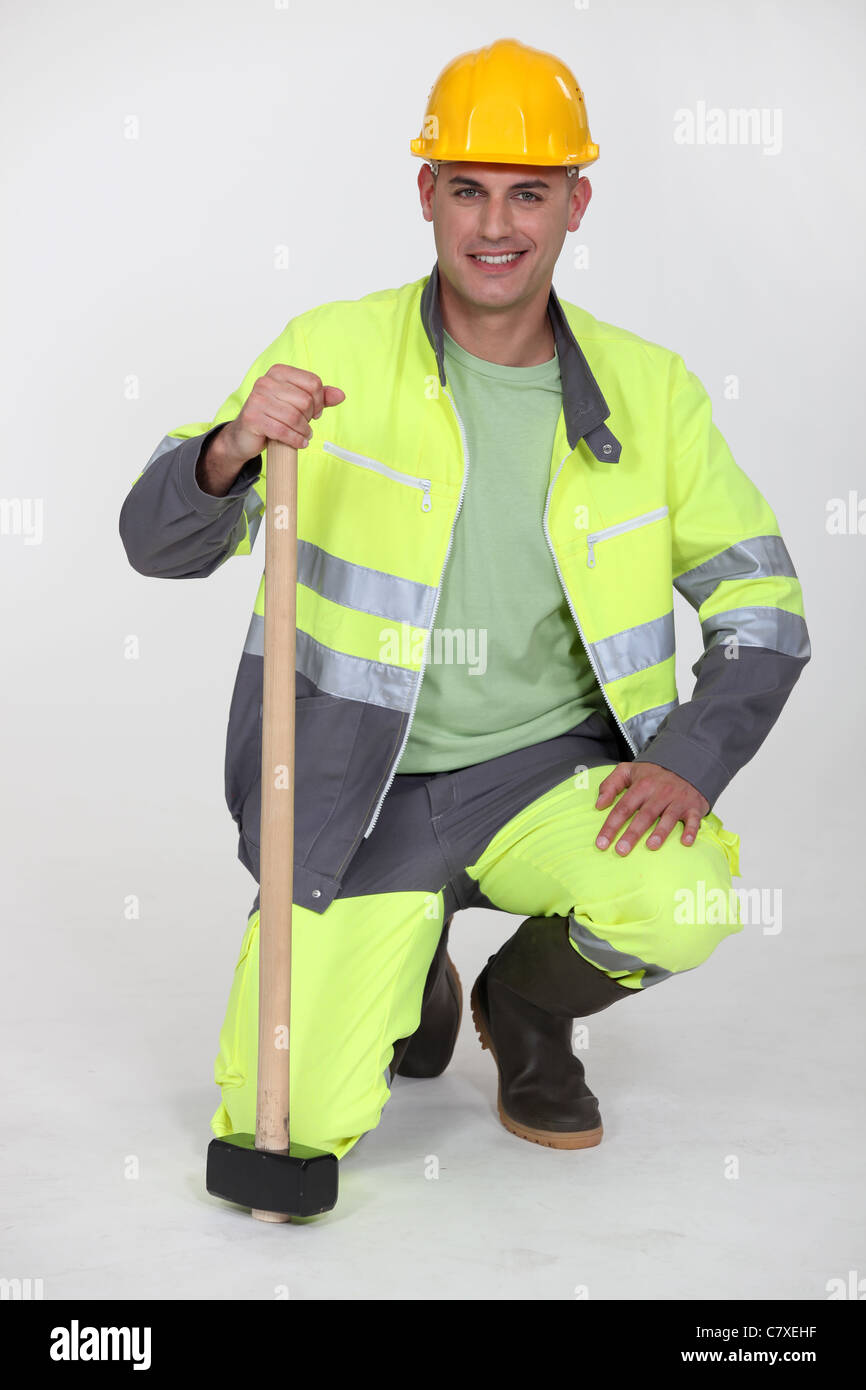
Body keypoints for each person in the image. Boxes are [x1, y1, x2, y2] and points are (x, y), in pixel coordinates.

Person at [118, 38, 810, 1160]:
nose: (495, 227)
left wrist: (689, 753)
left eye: (527, 193)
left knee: (686, 899)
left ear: (575, 203)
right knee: (278, 1130)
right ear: (426, 195)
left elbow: (764, 605)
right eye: (469, 191)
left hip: (551, 774)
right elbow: (156, 545)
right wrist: (231, 446)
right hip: (358, 795)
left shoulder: (653, 391)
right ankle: (409, 947)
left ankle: (526, 1005)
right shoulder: (328, 352)